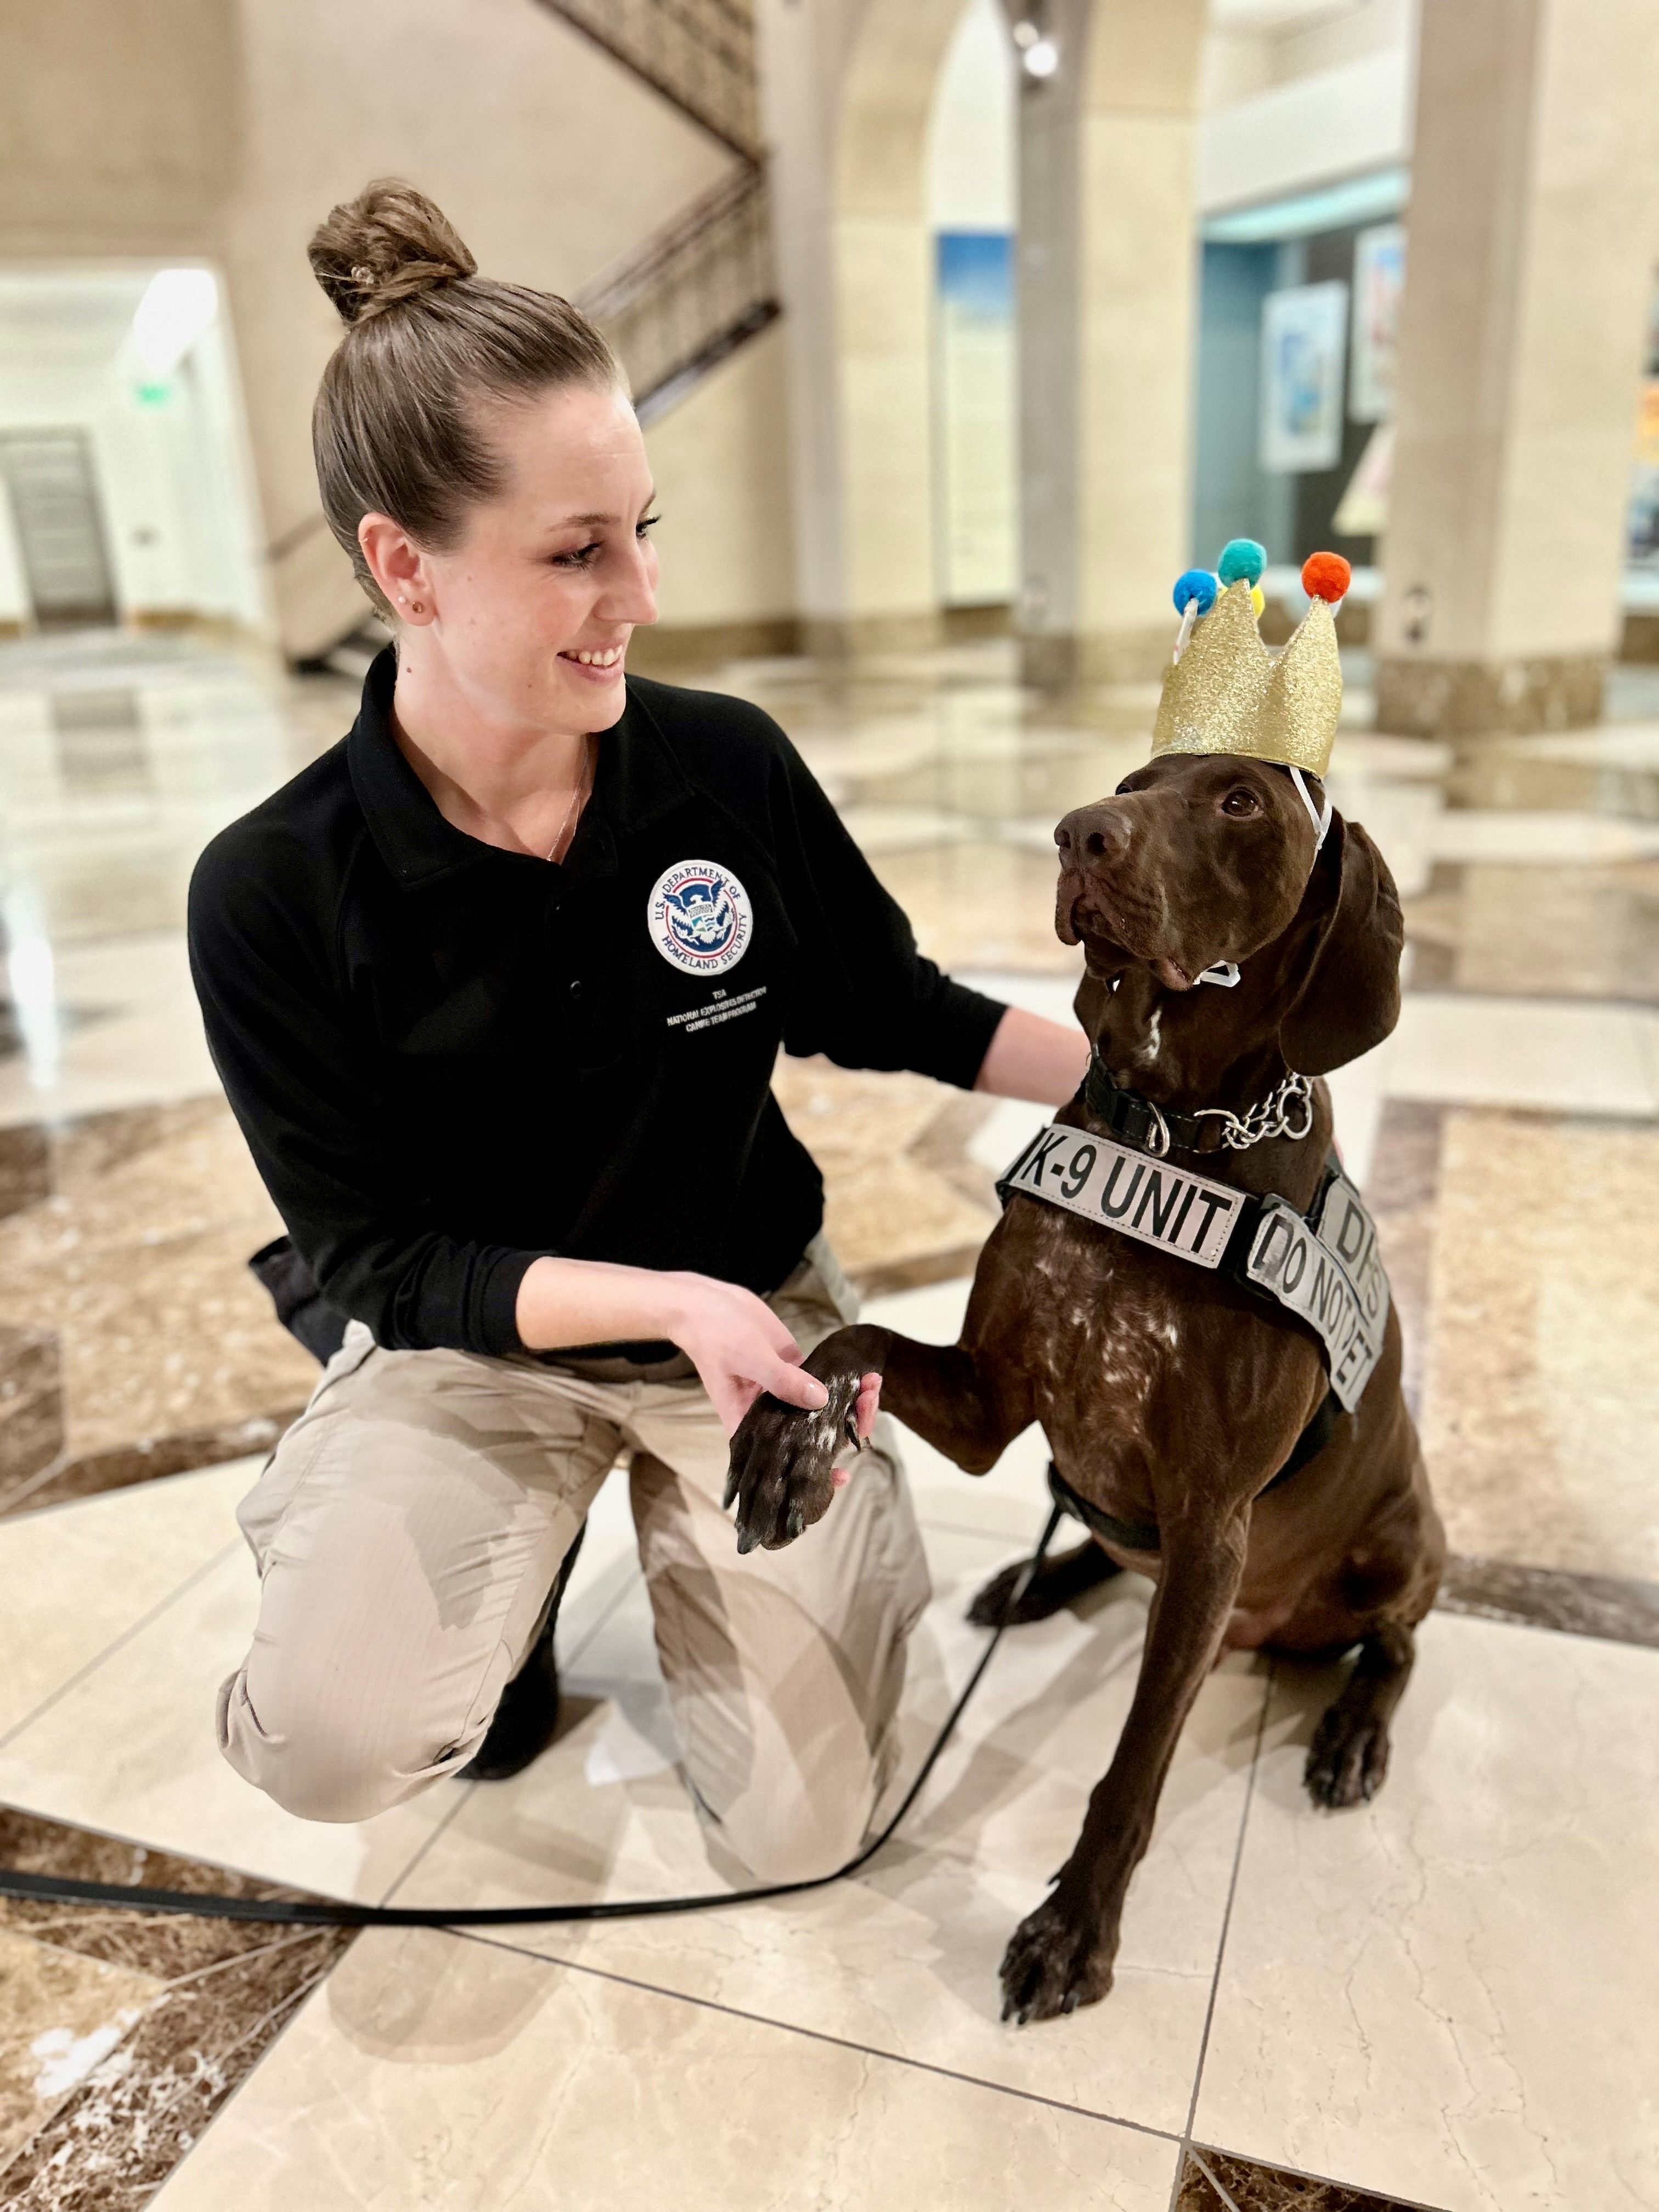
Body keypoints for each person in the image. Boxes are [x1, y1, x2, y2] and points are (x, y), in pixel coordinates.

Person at [188, 181, 1089, 1883]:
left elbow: (887, 1005)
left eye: (644, 528)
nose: (644, 594)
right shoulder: (271, 890)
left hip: (747, 1321)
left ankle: (641, 1560)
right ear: (405, 566)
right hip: (475, 1333)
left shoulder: (722, 766)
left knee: (798, 1837)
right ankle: (472, 1587)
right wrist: (655, 1301)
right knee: (336, 1740)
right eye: (577, 553)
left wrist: (1147, 1086)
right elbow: (384, 1255)